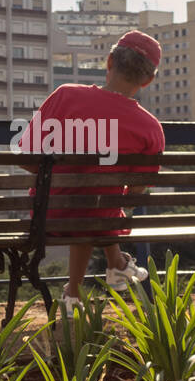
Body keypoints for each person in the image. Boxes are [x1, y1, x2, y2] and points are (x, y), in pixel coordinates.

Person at [19, 30, 165, 310]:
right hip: (100, 216)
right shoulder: (150, 127)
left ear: (109, 61)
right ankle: (118, 264)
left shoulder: (65, 96)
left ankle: (74, 292)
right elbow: (135, 192)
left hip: (49, 214)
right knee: (99, 202)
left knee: (88, 201)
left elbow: (27, 158)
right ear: (148, 80)